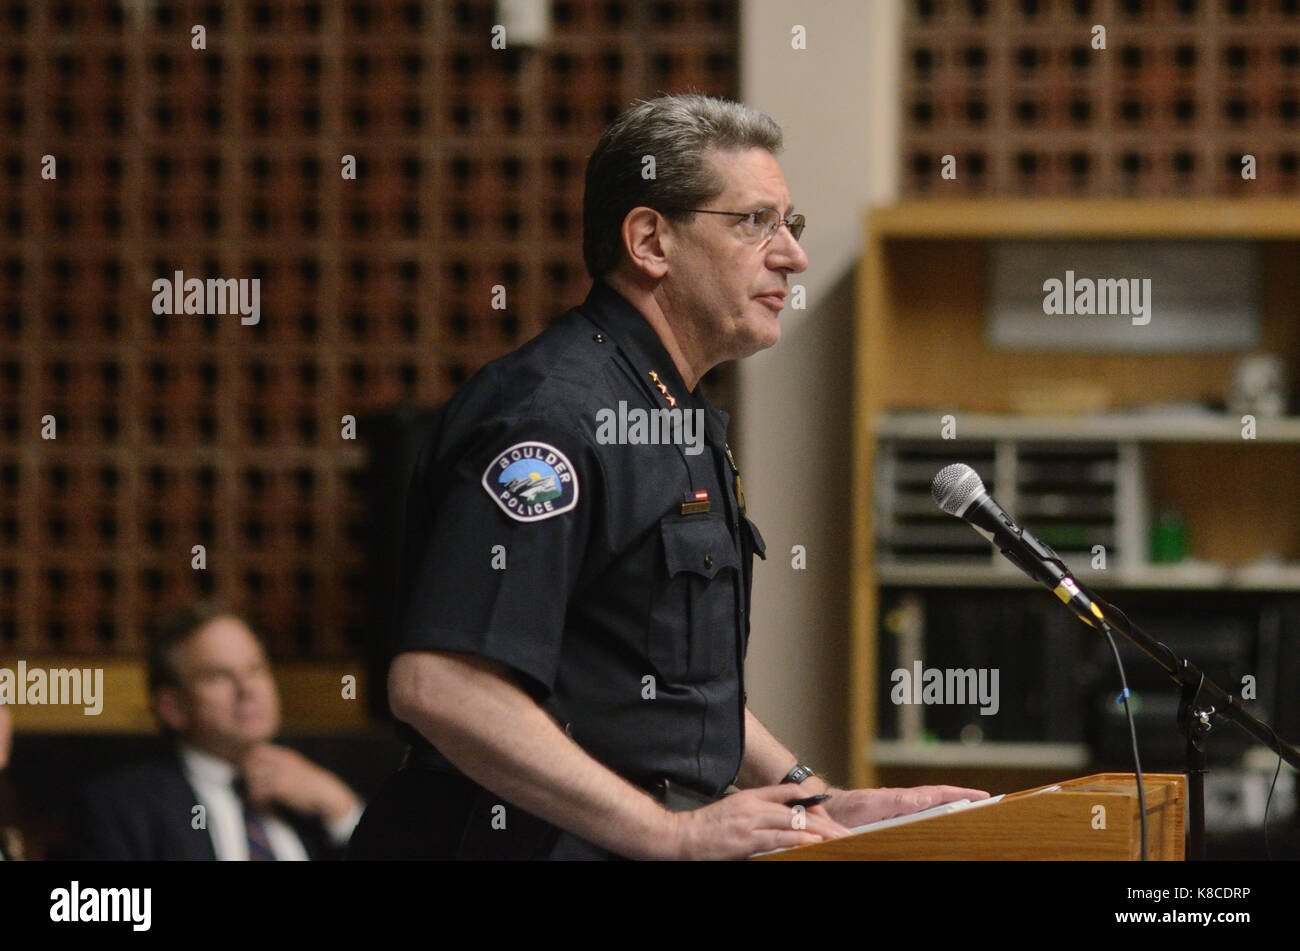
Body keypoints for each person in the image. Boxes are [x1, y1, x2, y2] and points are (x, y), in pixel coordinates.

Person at [346, 93, 986, 861]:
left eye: (792, 225)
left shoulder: (669, 409)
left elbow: (661, 688)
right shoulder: (553, 416)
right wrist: (671, 832)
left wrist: (820, 797)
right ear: (651, 240)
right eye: (756, 222)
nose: (793, 254)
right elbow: (440, 684)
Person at [73, 603, 363, 860]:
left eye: (255, 669)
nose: (247, 689)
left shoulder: (315, 792)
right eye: (219, 676)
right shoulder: (123, 808)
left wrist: (341, 809)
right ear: (172, 707)